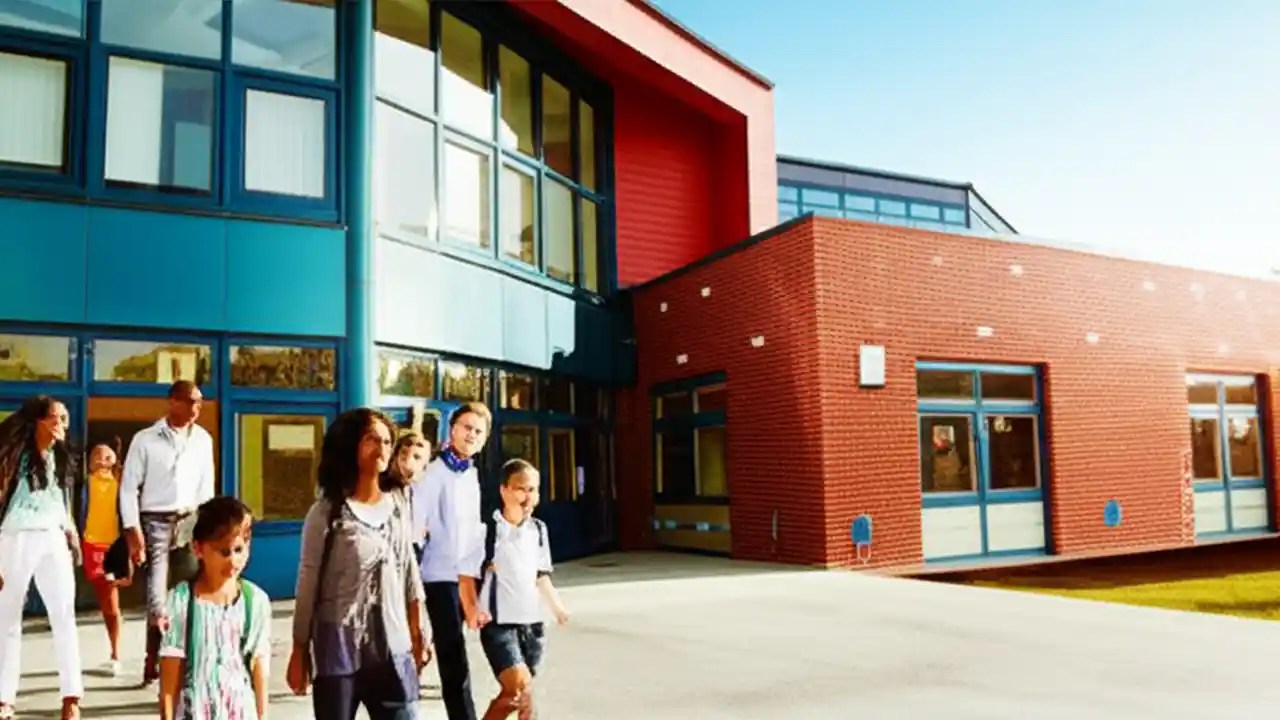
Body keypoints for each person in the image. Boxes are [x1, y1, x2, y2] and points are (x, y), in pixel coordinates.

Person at [288, 408, 431, 720]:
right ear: (349, 444)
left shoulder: (397, 505)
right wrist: (299, 649)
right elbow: (308, 583)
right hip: (337, 648)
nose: (381, 448)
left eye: (386, 441)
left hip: (393, 646)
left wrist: (419, 629)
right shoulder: (326, 513)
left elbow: (409, 571)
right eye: (370, 439)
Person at [120, 380, 216, 684]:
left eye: (199, 403)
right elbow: (128, 488)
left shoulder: (202, 439)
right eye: (189, 402)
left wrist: (207, 527)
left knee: (192, 593)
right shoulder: (145, 439)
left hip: (190, 520)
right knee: (157, 596)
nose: (195, 409)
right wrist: (132, 530)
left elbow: (206, 485)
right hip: (155, 522)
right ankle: (154, 658)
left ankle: (188, 661)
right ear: (172, 402)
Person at [460, 459, 570, 720]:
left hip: (533, 625)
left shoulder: (538, 530)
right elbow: (466, 575)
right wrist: (472, 610)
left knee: (521, 698)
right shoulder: (487, 530)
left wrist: (558, 609)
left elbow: (541, 576)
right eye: (521, 489)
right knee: (518, 686)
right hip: (499, 624)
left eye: (533, 490)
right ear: (504, 491)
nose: (527, 496)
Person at [0, 395, 83, 719]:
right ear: (39, 421)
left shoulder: (62, 456)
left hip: (52, 537)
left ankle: (71, 696)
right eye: (57, 418)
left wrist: (70, 530)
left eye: (65, 419)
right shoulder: (12, 456)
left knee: (64, 615)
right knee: (7, 620)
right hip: (14, 538)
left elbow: (62, 497)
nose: (63, 425)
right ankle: (4, 698)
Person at [158, 496, 270, 720]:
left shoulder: (254, 601)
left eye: (239, 550)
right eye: (224, 552)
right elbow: (170, 681)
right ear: (198, 549)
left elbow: (259, 666)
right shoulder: (181, 601)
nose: (233, 561)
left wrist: (262, 715)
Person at [413, 402, 492, 720]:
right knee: (453, 656)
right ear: (452, 429)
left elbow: (473, 532)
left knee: (459, 647)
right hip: (438, 576)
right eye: (466, 427)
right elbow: (417, 527)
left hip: (466, 575)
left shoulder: (471, 474)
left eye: (478, 430)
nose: (471, 434)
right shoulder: (433, 473)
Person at [81, 442, 129, 677]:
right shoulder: (82, 484)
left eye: (107, 456)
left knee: (111, 604)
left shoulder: (121, 486)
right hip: (87, 546)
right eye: (96, 455)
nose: (101, 459)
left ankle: (115, 654)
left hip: (111, 548)